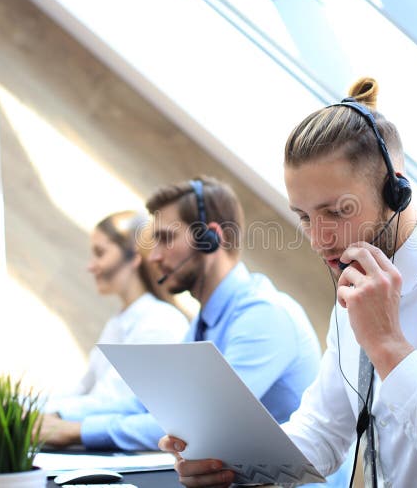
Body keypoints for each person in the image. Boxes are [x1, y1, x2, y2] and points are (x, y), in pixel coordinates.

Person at [160, 78, 417, 487]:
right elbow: (322, 433)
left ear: (395, 189)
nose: (318, 239)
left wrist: (389, 346)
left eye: (336, 212)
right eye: (305, 216)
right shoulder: (353, 292)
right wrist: (229, 462)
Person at [40, 178, 326, 453]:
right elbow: (151, 404)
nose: (154, 257)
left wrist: (75, 432)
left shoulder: (264, 316)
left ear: (211, 238)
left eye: (166, 239)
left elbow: (199, 423)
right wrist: (59, 416)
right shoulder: (203, 324)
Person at [42, 211, 189, 421]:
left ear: (135, 257)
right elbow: (84, 389)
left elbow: (113, 403)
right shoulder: (120, 320)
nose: (91, 266)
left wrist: (45, 414)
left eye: (100, 253)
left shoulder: (160, 322)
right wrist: (23, 404)